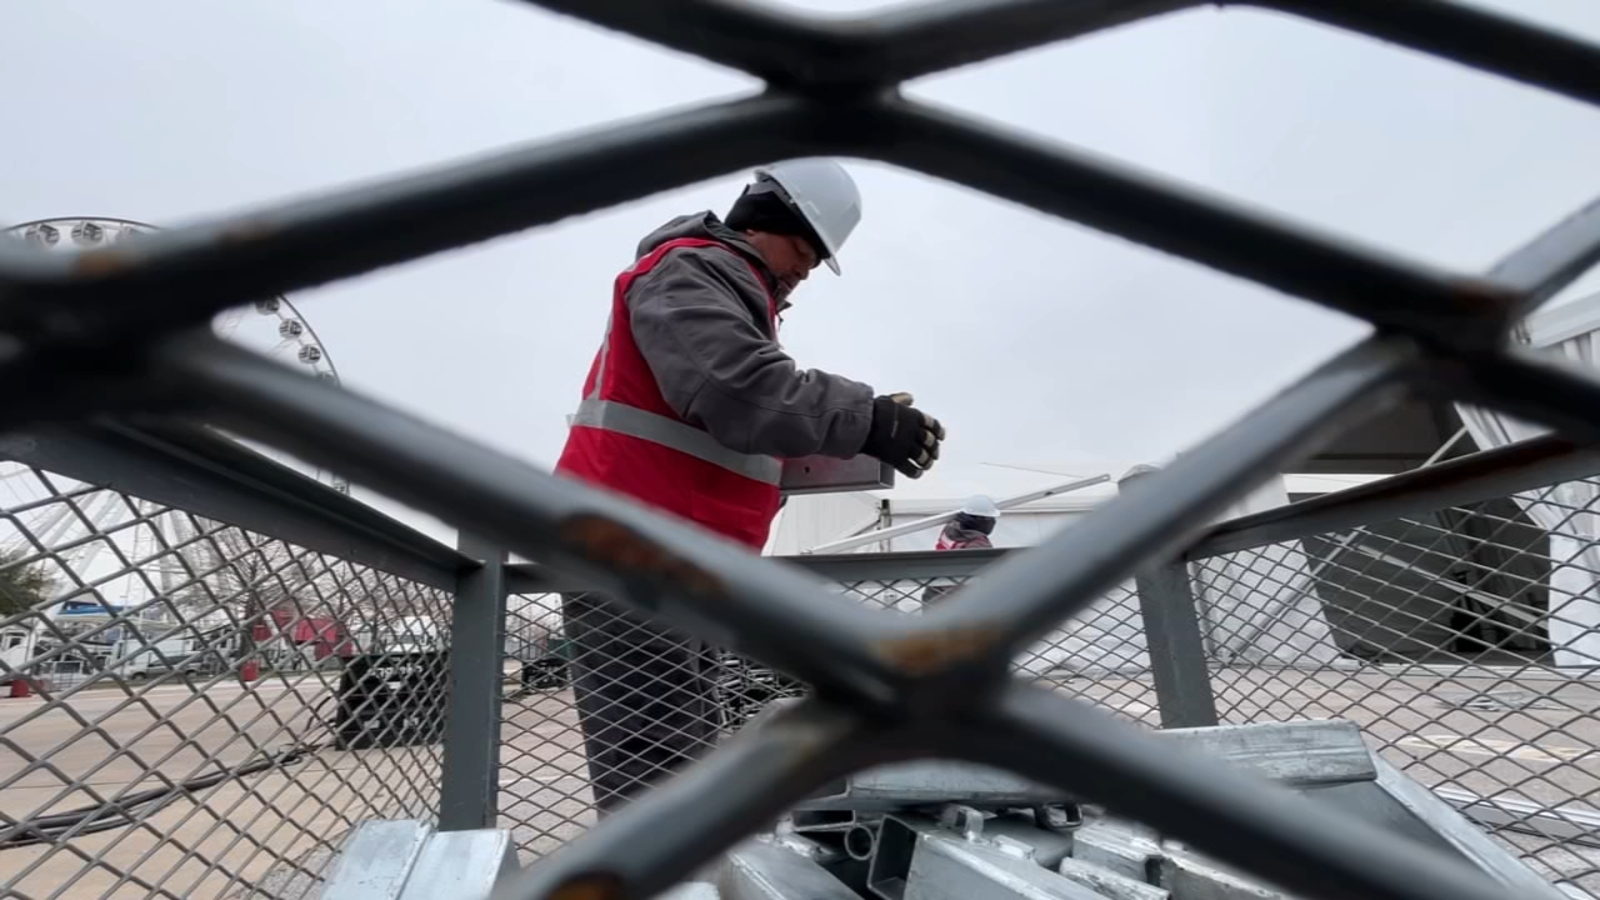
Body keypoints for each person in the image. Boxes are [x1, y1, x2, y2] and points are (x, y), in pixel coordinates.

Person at [553, 158, 946, 815]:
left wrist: (844, 439)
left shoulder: (729, 294)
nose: (805, 271)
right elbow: (738, 391)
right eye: (803, 249)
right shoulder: (690, 269)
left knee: (686, 775)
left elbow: (727, 423)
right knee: (662, 789)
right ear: (766, 221)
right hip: (638, 555)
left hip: (682, 562)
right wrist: (869, 420)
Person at [922, 496, 1001, 610]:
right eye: (990, 519)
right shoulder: (978, 545)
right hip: (956, 603)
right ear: (980, 520)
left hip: (934, 592)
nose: (993, 522)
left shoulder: (951, 529)